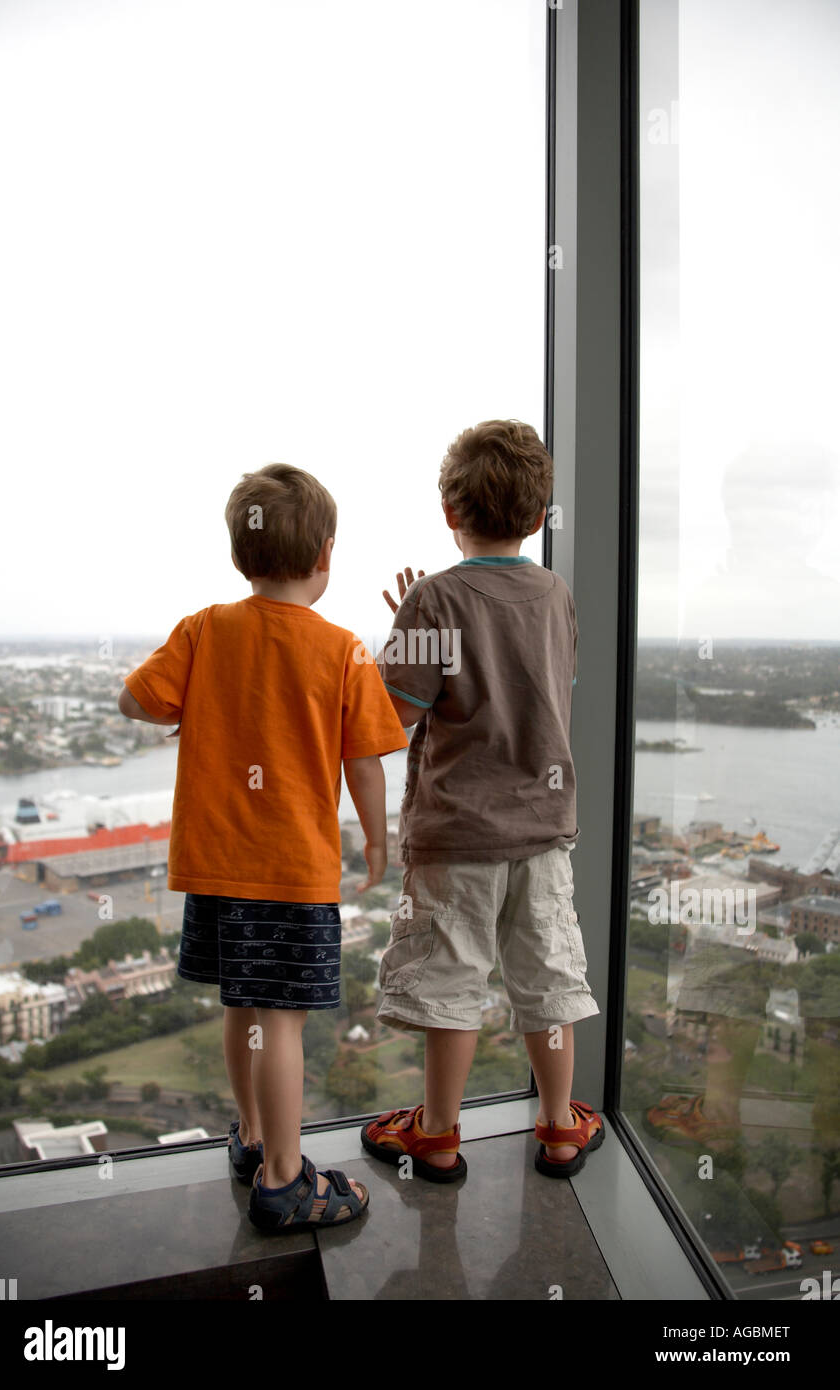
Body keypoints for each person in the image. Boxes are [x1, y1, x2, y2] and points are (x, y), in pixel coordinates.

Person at [118, 463, 408, 1232]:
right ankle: (285, 1181)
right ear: (326, 555)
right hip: (291, 872)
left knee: (242, 1004)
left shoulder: (203, 630)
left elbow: (133, 700)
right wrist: (377, 843)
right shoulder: (342, 649)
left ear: (239, 554)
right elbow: (366, 763)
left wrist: (193, 709)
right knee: (282, 1022)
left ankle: (250, 1138)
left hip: (218, 866)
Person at [360, 420, 603, 1182]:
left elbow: (389, 714)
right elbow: (539, 692)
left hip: (457, 833)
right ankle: (562, 1128)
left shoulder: (434, 599)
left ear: (448, 512)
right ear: (537, 518)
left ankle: (437, 1136)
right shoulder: (555, 593)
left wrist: (405, 629)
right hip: (541, 830)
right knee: (549, 979)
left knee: (450, 985)